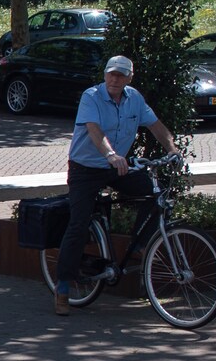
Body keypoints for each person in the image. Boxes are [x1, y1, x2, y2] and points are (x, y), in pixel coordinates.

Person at [52, 53, 176, 317]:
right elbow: (95, 130)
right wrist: (110, 154)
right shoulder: (92, 97)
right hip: (86, 169)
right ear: (105, 75)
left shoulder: (135, 99)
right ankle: (62, 288)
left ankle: (139, 246)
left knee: (157, 194)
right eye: (111, 74)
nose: (115, 79)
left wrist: (173, 149)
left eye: (121, 75)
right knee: (78, 223)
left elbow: (156, 126)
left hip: (116, 167)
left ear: (130, 77)